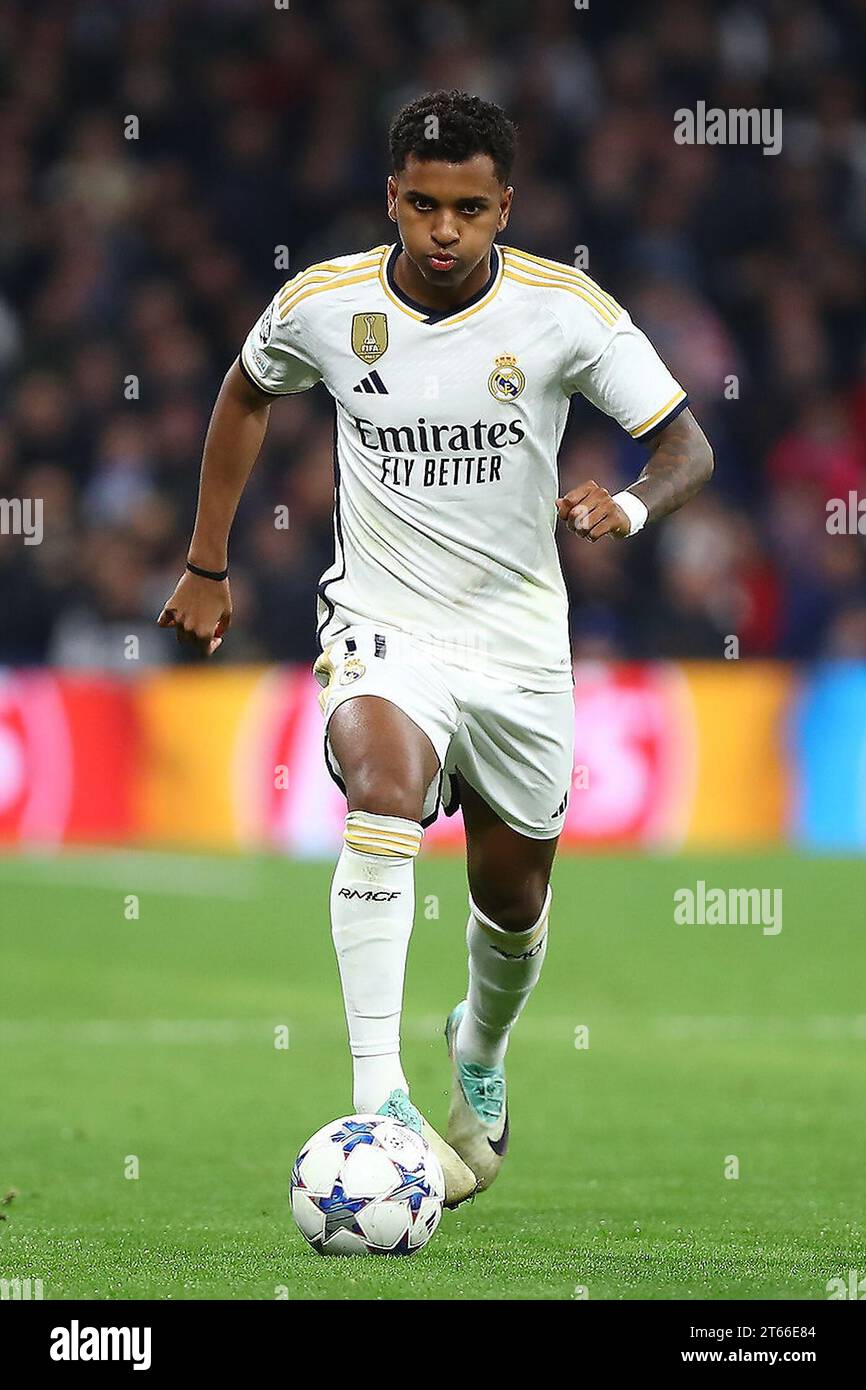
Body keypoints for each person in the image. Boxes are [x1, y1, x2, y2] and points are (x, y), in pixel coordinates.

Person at [157, 89, 714, 1207]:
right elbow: (244, 391)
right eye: (422, 206)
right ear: (391, 200)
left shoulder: (565, 313)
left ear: (503, 205)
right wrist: (207, 562)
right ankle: (382, 1099)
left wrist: (635, 510)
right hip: (381, 621)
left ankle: (480, 1050)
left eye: (468, 207)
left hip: (516, 645)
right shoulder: (325, 304)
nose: (444, 231)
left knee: (510, 901)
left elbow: (684, 443)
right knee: (381, 783)